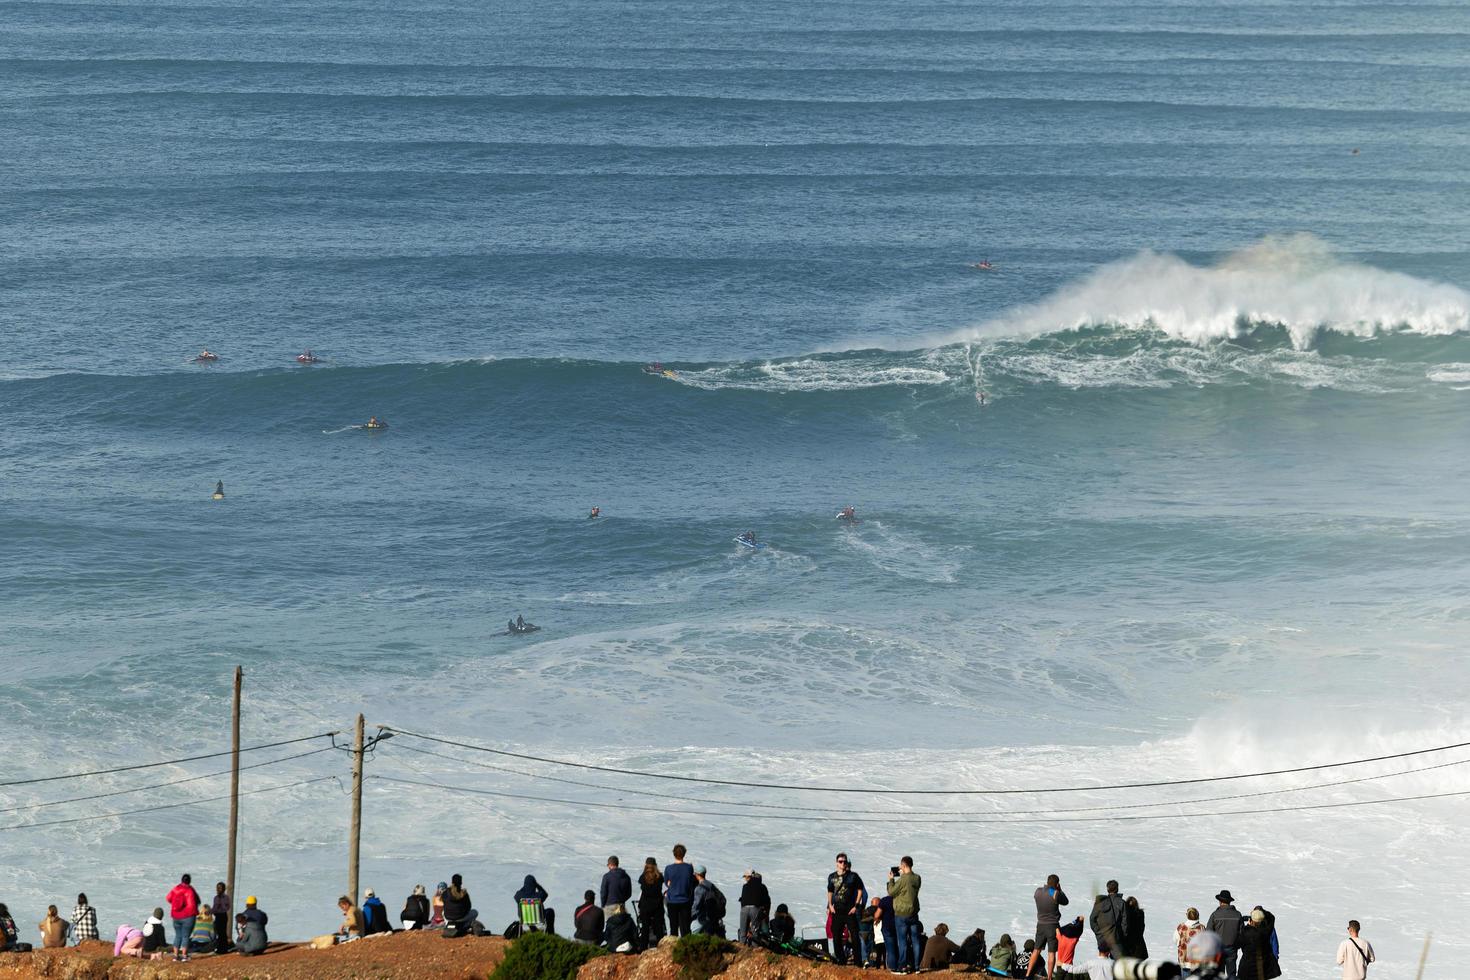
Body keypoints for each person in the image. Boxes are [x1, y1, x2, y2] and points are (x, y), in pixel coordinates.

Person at [827, 852, 866, 966]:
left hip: (849, 909)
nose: (843, 863)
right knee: (836, 936)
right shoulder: (832, 877)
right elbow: (830, 891)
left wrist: (856, 905)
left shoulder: (853, 876)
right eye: (840, 861)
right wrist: (829, 905)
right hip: (837, 910)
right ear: (836, 863)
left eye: (844, 861)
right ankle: (841, 960)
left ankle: (858, 962)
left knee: (854, 936)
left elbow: (860, 890)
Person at [1030, 873, 1069, 978]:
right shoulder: (1055, 893)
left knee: (1036, 950)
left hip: (1040, 924)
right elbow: (1066, 901)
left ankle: (1027, 974)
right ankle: (1050, 977)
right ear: (1057, 884)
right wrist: (1059, 890)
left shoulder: (1038, 891)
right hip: (1053, 926)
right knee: (1051, 953)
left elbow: (1039, 895)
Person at [887, 856, 922, 974]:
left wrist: (891, 879)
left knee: (902, 941)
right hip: (913, 914)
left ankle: (902, 966)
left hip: (901, 914)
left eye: (901, 865)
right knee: (915, 940)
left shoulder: (903, 879)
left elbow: (891, 892)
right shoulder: (917, 878)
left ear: (904, 865)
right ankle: (917, 967)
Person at [1206, 891, 1243, 980]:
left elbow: (1208, 933)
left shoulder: (1215, 915)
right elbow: (1242, 933)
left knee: (1219, 974)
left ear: (1220, 901)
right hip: (1232, 948)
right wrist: (1236, 945)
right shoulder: (1237, 914)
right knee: (1232, 974)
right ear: (1229, 901)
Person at [1237, 907, 1280, 980]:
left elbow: (1238, 944)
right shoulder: (1266, 932)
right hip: (1262, 968)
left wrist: (1248, 926)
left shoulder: (1245, 933)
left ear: (1251, 920)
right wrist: (1263, 912)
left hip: (1247, 967)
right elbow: (1271, 918)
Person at [167, 873, 201, 962]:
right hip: (187, 917)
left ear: (182, 880)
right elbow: (192, 905)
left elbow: (168, 898)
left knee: (178, 935)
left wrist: (176, 905)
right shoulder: (190, 890)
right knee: (186, 936)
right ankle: (184, 956)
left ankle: (175, 956)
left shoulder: (176, 888)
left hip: (176, 916)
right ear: (189, 881)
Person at [664, 843, 696, 937]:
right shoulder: (689, 868)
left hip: (672, 900)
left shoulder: (669, 868)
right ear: (684, 854)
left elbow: (667, 883)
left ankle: (673, 948)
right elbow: (691, 882)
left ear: (674, 854)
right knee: (686, 928)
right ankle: (686, 948)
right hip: (685, 900)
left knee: (673, 927)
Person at [1088, 881, 1124, 958]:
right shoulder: (1121, 903)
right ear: (1117, 889)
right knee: (1116, 963)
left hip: (1102, 936)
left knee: (1102, 961)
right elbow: (1125, 922)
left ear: (1107, 889)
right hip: (1116, 938)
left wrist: (1098, 932)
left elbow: (1092, 919)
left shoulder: (1100, 902)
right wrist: (1122, 935)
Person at [637, 857, 665, 948]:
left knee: (645, 928)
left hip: (645, 906)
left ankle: (643, 947)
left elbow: (640, 880)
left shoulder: (643, 877)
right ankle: (661, 947)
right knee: (659, 928)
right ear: (655, 865)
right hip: (657, 906)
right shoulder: (659, 877)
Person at [692, 865, 726, 938]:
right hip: (715, 916)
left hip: (704, 917)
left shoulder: (699, 888)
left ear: (697, 875)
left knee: (693, 930)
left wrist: (690, 915)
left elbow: (696, 905)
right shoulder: (711, 885)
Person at [738, 869, 770, 946]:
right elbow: (766, 901)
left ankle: (742, 948)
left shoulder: (745, 886)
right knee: (755, 932)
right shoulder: (762, 887)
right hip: (755, 909)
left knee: (743, 932)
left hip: (744, 909)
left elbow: (742, 900)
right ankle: (754, 949)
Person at [210, 883, 231, 953]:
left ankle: (223, 948)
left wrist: (222, 906)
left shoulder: (226, 897)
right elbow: (214, 908)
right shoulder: (215, 898)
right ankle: (220, 947)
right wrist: (211, 912)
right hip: (217, 916)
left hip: (223, 915)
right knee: (218, 932)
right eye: (217, 888)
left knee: (223, 932)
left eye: (220, 888)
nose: (218, 890)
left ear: (224, 889)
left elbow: (228, 907)